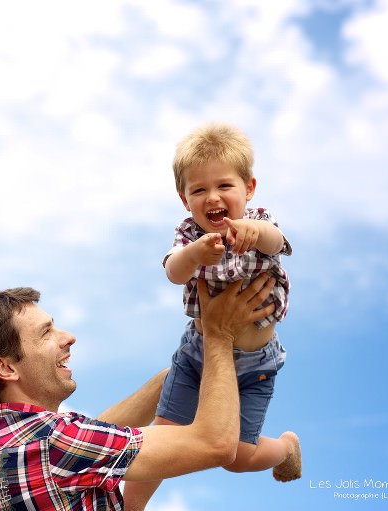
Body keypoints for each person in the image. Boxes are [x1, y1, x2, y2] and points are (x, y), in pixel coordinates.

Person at [0, 274, 276, 510]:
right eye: (46, 333)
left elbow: (87, 447)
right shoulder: (54, 443)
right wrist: (219, 335)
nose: (68, 337)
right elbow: (215, 445)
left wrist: (180, 374)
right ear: (6, 368)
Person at [123, 122, 302, 511]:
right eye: (199, 190)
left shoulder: (261, 222)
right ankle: (129, 507)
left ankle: (285, 448)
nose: (212, 197)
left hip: (256, 366)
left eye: (224, 186)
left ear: (248, 189)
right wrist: (194, 255)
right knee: (164, 438)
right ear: (185, 199)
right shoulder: (189, 235)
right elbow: (173, 271)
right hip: (196, 357)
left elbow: (280, 242)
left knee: (236, 458)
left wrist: (256, 230)